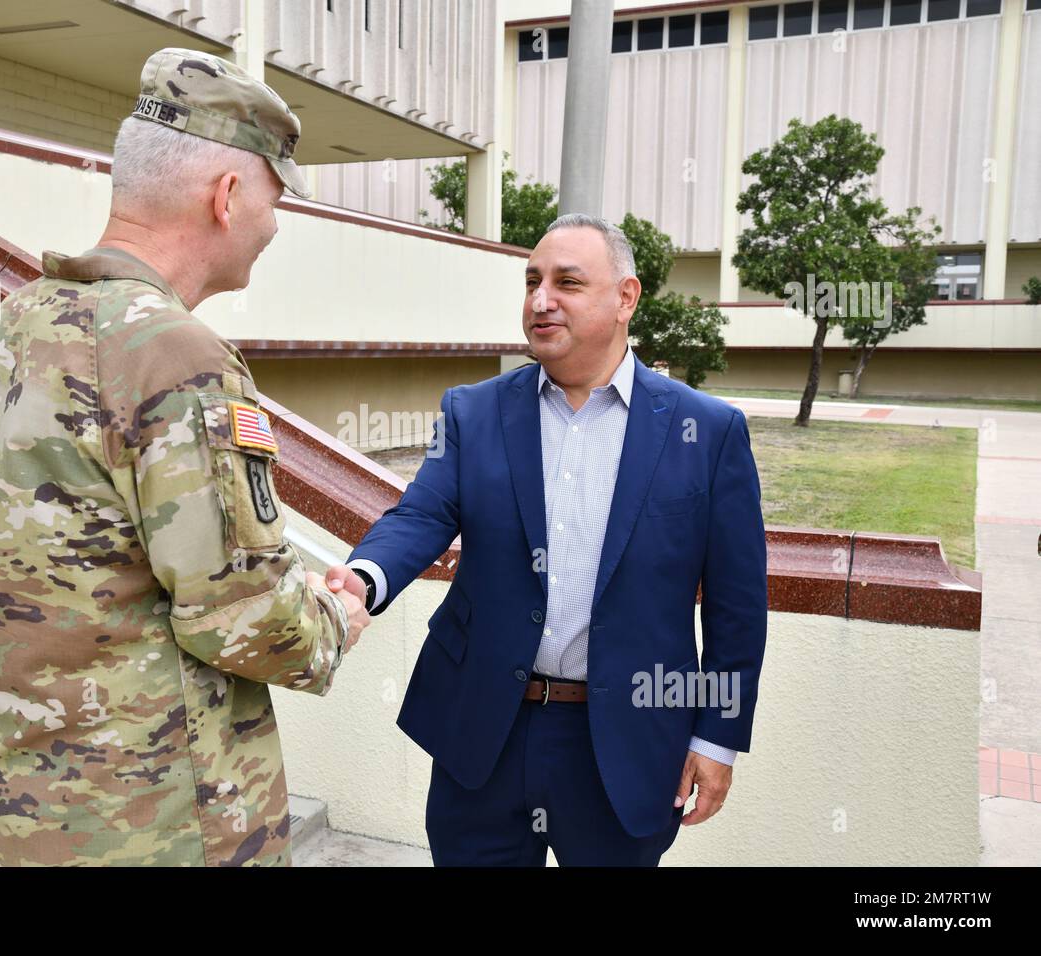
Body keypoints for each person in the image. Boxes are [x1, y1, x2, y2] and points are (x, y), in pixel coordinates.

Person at [0, 47, 369, 867]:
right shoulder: (177, 358)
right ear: (228, 194)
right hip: (155, 828)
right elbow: (244, 618)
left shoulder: (3, 329)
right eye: (277, 197)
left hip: (12, 823)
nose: (276, 225)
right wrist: (332, 620)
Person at [327, 214, 767, 866]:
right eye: (532, 280)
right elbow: (420, 516)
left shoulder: (707, 431)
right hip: (485, 737)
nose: (540, 300)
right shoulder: (472, 413)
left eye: (566, 282)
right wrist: (362, 579)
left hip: (625, 745)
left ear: (625, 297)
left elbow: (736, 605)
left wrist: (717, 739)